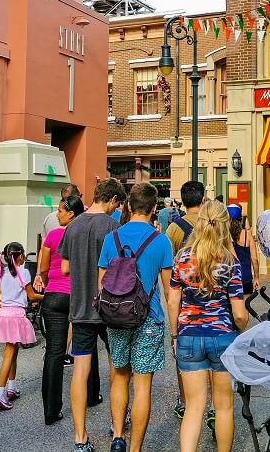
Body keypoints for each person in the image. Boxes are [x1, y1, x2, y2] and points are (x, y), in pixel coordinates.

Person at [97, 182, 173, 452]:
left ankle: (118, 435)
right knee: (143, 386)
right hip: (149, 318)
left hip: (117, 316)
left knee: (119, 375)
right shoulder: (161, 241)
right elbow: (168, 291)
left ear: (128, 206)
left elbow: (102, 283)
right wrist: (174, 331)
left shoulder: (112, 238)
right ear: (154, 209)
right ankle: (135, 448)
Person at [167, 200, 248, 452]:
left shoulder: (182, 257)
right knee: (223, 406)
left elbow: (173, 301)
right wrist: (242, 330)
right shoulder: (229, 260)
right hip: (222, 336)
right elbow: (239, 312)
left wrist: (174, 334)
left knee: (193, 407)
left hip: (189, 335)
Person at [57, 178, 126, 452]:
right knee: (117, 370)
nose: (116, 209)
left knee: (80, 371)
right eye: (116, 204)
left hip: (80, 306)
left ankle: (80, 438)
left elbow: (64, 267)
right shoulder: (112, 226)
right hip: (109, 309)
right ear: (111, 200)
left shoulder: (72, 226)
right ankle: (117, 426)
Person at [35, 195, 96, 425]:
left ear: (71, 213)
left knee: (54, 352)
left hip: (53, 296)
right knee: (86, 346)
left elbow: (42, 267)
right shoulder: (83, 234)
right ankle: (91, 394)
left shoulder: (52, 236)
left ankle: (51, 410)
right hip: (77, 295)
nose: (57, 214)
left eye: (61, 210)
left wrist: (43, 277)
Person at [163, 180, 204, 420]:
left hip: (185, 301)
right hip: (212, 299)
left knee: (182, 352)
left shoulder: (174, 229)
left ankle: (184, 399)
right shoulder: (214, 225)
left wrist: (171, 301)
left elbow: (169, 271)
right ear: (202, 199)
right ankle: (209, 403)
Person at [0, 242, 36, 410]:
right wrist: (47, 295)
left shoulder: (1, 273)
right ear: (21, 256)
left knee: (13, 349)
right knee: (9, 352)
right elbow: (31, 296)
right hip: (16, 316)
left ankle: (12, 387)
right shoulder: (24, 273)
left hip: (3, 316)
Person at [229, 205, 260, 295]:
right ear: (240, 218)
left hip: (230, 277)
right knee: (246, 306)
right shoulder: (247, 234)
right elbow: (254, 259)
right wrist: (256, 278)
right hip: (245, 277)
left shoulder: (225, 234)